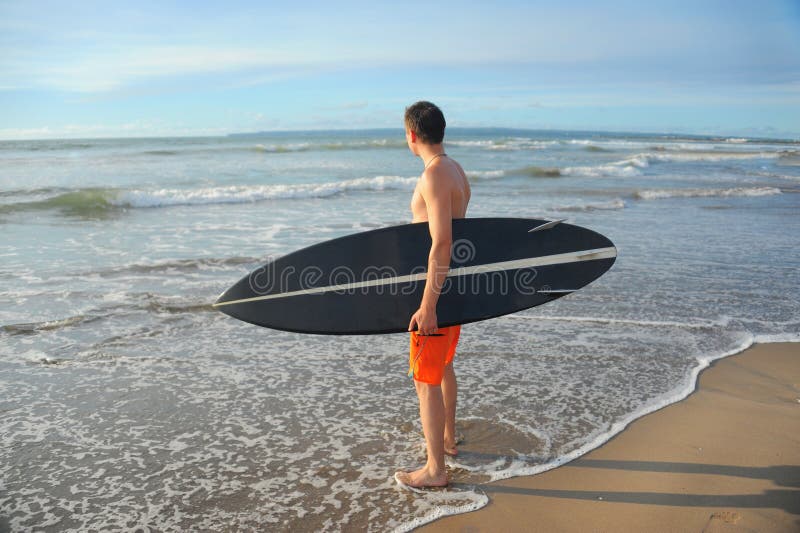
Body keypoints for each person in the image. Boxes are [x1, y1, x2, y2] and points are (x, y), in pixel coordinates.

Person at [395, 101, 471, 489]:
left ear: (412, 134)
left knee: (426, 379)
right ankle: (446, 439)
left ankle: (435, 469)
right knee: (443, 366)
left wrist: (427, 306)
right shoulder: (455, 169)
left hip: (436, 292)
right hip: (452, 288)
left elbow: (442, 243)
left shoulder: (434, 174)